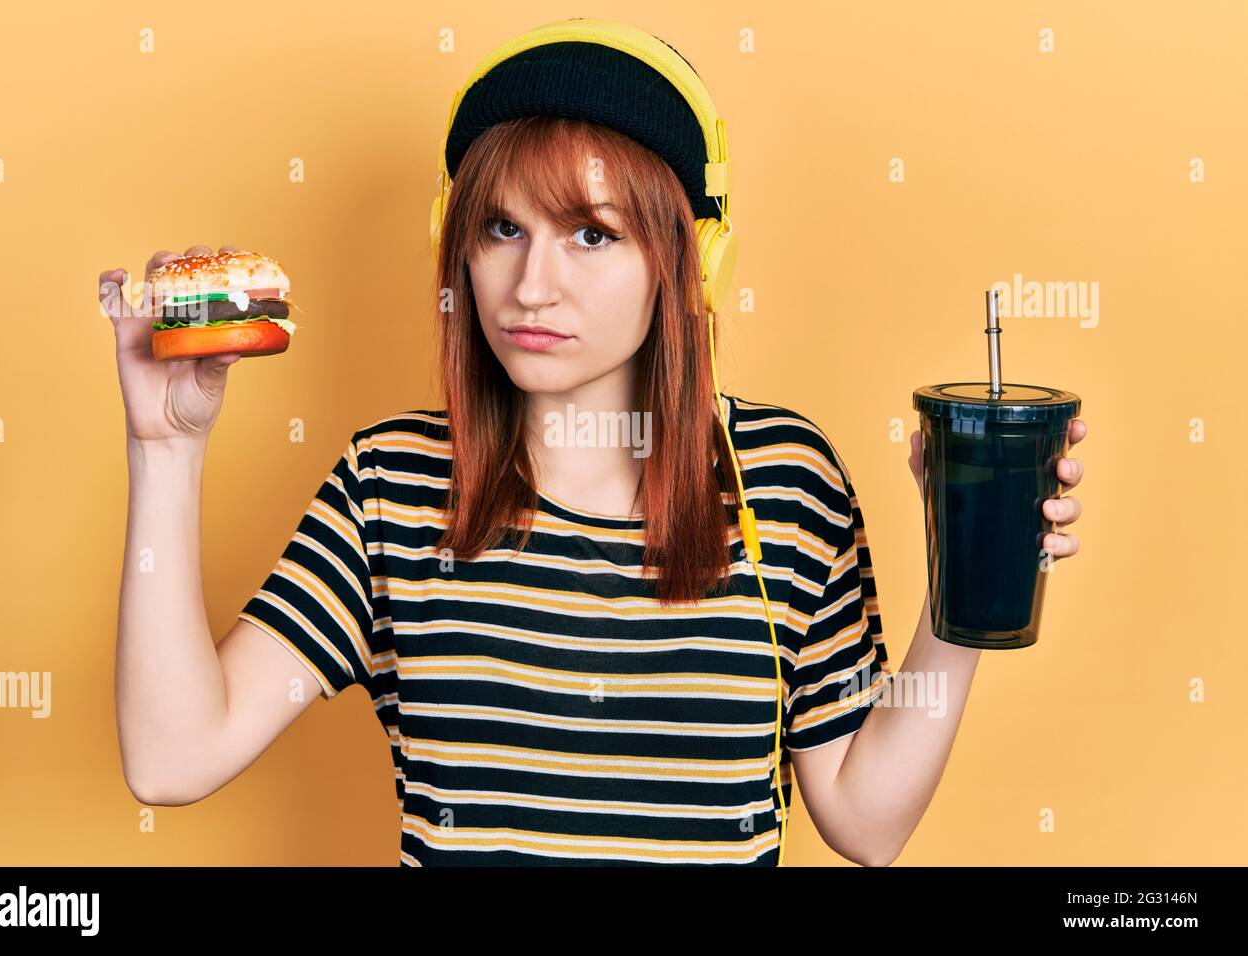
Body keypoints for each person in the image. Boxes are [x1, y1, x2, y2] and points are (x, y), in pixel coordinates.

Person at [98, 20, 1088, 867]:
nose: (531, 285)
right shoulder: (389, 484)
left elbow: (866, 823)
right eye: (499, 228)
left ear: (689, 257)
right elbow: (173, 756)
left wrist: (970, 586)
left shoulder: (784, 482)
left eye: (590, 234)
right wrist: (166, 447)